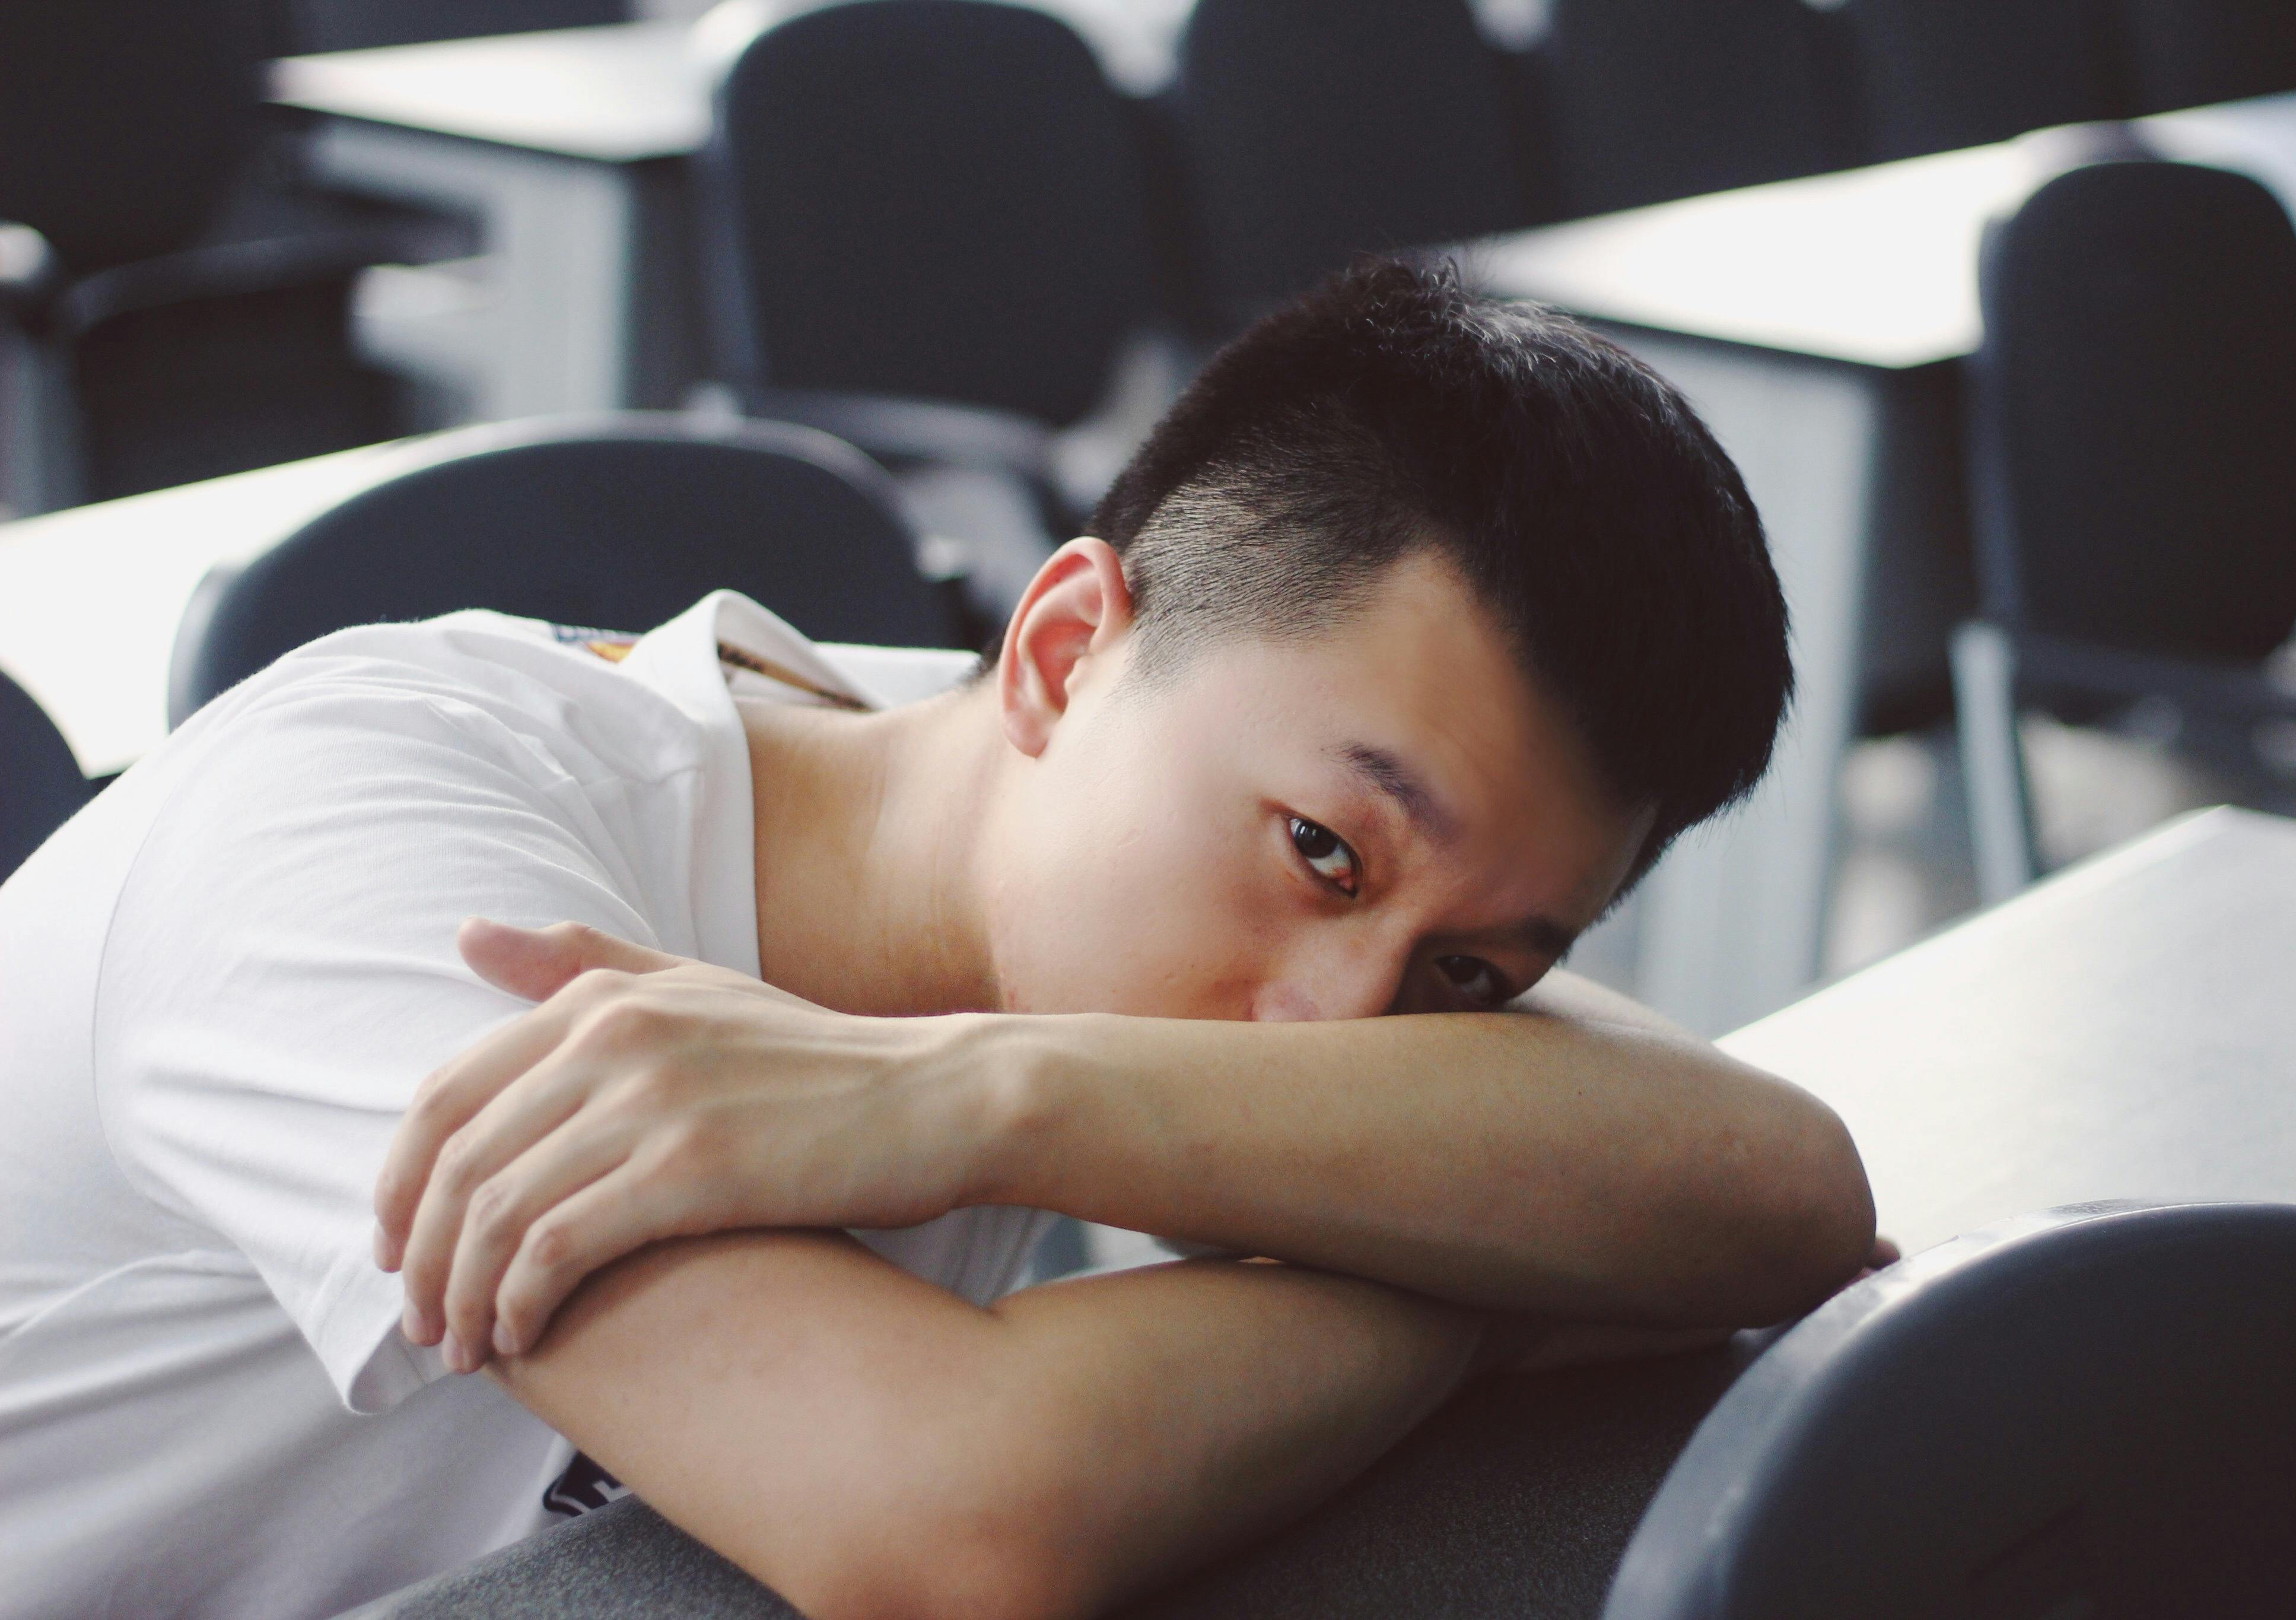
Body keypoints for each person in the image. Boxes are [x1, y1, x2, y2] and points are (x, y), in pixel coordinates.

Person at [0, 262, 1875, 1619]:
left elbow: (1777, 1187)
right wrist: (1504, 1271)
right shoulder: (375, 847)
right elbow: (959, 1525)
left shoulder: (1002, 832)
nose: (1340, 1029)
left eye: (1474, 979)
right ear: (1067, 651)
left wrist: (986, 1087)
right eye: (1323, 853)